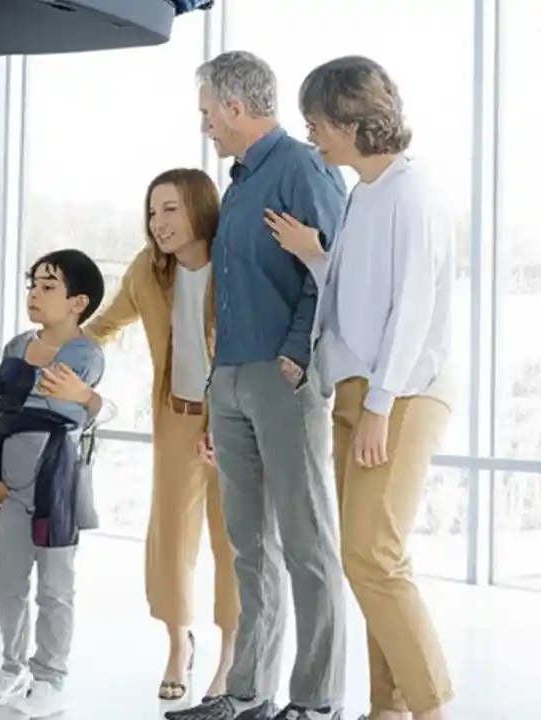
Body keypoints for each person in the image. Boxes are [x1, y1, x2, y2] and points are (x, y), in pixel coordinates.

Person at [266, 55, 456, 720]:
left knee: (372, 555)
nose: (312, 133)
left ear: (352, 121)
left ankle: (429, 706)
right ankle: (389, 707)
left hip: (399, 391)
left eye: (317, 122)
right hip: (356, 388)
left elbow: (413, 307)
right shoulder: (364, 192)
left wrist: (378, 406)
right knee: (366, 560)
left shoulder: (412, 190)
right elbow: (353, 293)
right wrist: (315, 253)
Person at [167, 50, 350, 720]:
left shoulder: (304, 168)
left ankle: (315, 700)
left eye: (208, 112)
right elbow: (234, 291)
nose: (206, 125)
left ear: (236, 107)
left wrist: (295, 355)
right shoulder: (241, 182)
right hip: (233, 382)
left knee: (306, 545)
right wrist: (220, 390)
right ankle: (245, 694)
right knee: (249, 548)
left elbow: (332, 270)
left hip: (281, 379)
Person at [38, 168, 240, 703]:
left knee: (234, 541)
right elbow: (106, 325)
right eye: (153, 212)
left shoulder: (234, 266)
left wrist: (225, 420)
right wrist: (69, 357)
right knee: (171, 538)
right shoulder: (148, 272)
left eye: (170, 209)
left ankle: (232, 656)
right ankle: (178, 643)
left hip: (236, 419)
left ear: (200, 207)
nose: (158, 222)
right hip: (176, 418)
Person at [0, 249, 106, 719]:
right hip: (7, 482)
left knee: (54, 586)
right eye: (33, 283)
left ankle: (50, 674)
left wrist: (68, 399)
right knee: (5, 580)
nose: (35, 293)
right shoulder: (15, 346)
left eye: (49, 286)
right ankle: (13, 666)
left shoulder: (86, 353)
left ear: (78, 301)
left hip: (56, 482)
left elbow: (59, 408)